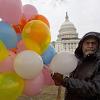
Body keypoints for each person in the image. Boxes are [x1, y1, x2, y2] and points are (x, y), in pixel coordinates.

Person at [51, 32, 100, 100]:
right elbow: (72, 82)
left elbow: (95, 89)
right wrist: (60, 80)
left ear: (98, 45)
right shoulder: (77, 61)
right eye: (87, 43)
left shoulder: (98, 63)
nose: (90, 45)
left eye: (93, 43)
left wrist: (65, 81)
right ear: (81, 45)